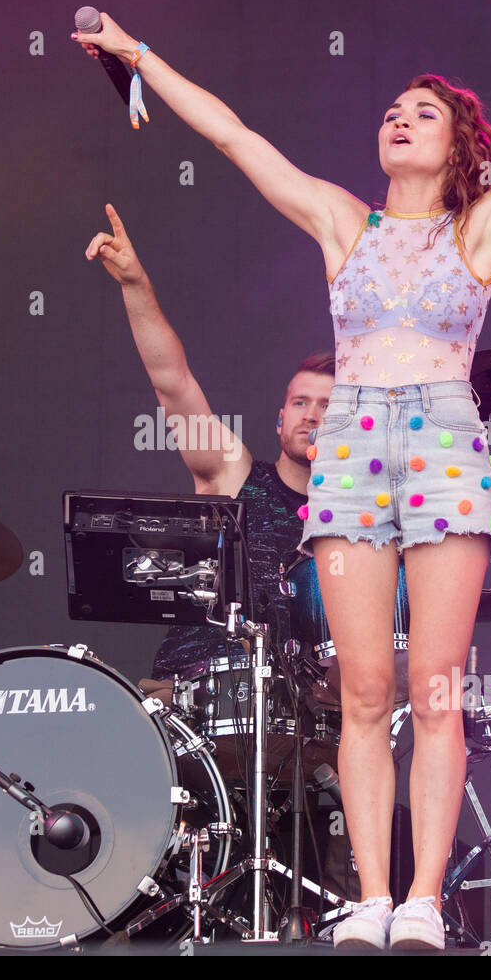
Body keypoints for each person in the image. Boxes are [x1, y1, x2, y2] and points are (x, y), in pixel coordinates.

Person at [75, 0, 491, 951]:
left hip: (439, 449)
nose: (397, 119)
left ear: (458, 145)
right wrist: (137, 55)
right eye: (391, 110)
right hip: (350, 456)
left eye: (420, 113)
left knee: (434, 685)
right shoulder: (345, 220)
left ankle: (424, 897)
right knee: (363, 691)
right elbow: (231, 136)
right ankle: (373, 896)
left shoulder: (481, 225)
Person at [83, 202, 333, 680]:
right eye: (301, 403)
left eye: (328, 405)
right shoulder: (232, 473)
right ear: (280, 420)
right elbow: (172, 382)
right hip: (191, 691)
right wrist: (136, 285)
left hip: (305, 713)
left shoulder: (356, 520)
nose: (313, 415)